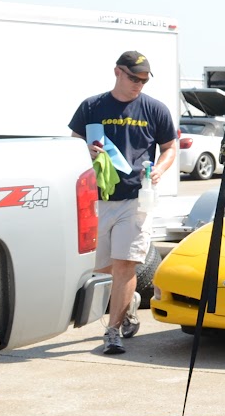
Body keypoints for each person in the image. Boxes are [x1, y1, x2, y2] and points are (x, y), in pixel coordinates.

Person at [69, 51, 178, 355]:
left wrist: (160, 168)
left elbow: (170, 146)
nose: (139, 85)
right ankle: (128, 302)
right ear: (117, 72)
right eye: (134, 78)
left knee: (125, 265)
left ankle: (113, 331)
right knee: (103, 268)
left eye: (144, 80)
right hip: (97, 199)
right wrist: (84, 152)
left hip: (136, 199)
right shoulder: (92, 106)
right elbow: (72, 144)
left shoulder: (154, 109)